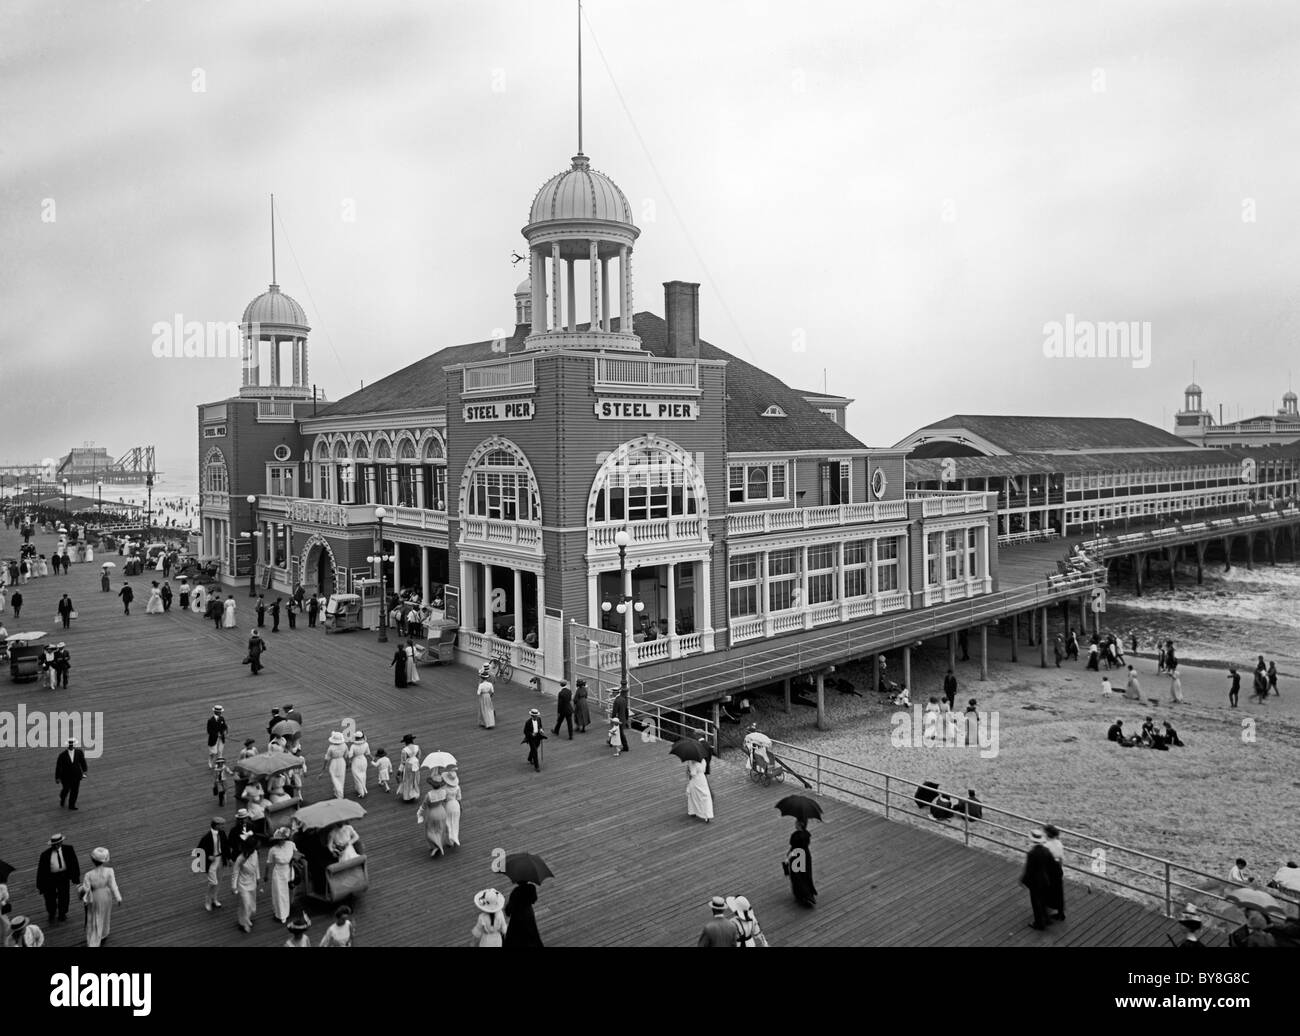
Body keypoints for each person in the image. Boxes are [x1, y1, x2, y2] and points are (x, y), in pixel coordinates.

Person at [79, 847, 122, 947]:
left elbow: (85, 889)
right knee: (105, 914)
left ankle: (94, 941)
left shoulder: (89, 875)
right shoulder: (109, 871)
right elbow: (113, 885)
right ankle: (104, 932)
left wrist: (81, 893)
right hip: (106, 895)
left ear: (93, 860)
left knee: (95, 916)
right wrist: (118, 897)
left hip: (96, 896)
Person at [37, 833, 80, 925]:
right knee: (50, 897)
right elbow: (41, 870)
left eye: (59, 843)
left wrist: (75, 877)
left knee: (64, 896)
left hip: (63, 876)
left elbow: (74, 863)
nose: (57, 845)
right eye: (55, 844)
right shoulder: (45, 855)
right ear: (52, 844)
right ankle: (51, 913)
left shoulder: (69, 849)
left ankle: (62, 913)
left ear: (61, 842)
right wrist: (41, 886)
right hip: (50, 878)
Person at [1021, 829, 1055, 930]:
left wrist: (1024, 880)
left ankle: (1039, 923)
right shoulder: (1046, 851)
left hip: (1035, 882)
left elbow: (1029, 870)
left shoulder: (1032, 853)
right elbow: (1051, 865)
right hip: (1045, 879)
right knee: (1044, 900)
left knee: (1036, 902)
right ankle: (1047, 919)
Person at [197, 817, 229, 912]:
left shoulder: (222, 833)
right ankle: (207, 900)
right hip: (212, 862)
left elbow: (225, 846)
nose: (223, 826)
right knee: (213, 882)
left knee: (219, 880)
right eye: (221, 825)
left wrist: (229, 858)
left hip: (220, 859)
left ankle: (214, 898)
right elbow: (199, 850)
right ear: (216, 825)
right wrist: (208, 856)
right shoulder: (207, 837)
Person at [265, 828, 296, 925]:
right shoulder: (272, 850)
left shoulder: (291, 844)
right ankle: (281, 915)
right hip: (279, 873)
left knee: (290, 892)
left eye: (282, 838)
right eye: (278, 839)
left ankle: (289, 909)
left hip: (290, 870)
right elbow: (268, 863)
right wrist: (266, 875)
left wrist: (294, 860)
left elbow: (296, 853)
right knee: (280, 894)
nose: (280, 840)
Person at [230, 833, 260, 933]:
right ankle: (244, 923)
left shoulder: (255, 853)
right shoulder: (240, 858)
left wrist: (258, 877)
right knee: (246, 903)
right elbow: (235, 873)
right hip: (242, 884)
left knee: (251, 905)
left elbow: (257, 865)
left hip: (252, 882)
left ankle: (245, 918)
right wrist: (234, 887)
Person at [417, 774, 450, 857]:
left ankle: (435, 845)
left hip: (433, 813)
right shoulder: (444, 792)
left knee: (430, 830)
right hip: (442, 812)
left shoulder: (429, 795)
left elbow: (423, 806)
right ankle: (439, 844)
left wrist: (419, 814)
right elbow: (446, 800)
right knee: (440, 829)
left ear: (432, 784)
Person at [787, 819, 817, 907]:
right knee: (805, 875)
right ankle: (808, 894)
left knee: (796, 876)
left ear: (799, 824)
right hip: (805, 856)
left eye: (796, 822)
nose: (795, 824)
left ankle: (801, 895)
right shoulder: (806, 835)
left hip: (797, 857)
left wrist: (788, 856)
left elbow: (793, 848)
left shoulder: (795, 836)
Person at [502, 882, 543, 947]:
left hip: (517, 920)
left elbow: (508, 910)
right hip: (529, 915)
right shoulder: (531, 888)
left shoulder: (516, 891)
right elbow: (534, 900)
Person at [56, 737, 88, 809]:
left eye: (72, 744)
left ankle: (71, 805)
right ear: (68, 746)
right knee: (66, 789)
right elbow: (58, 767)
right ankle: (62, 797)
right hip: (65, 777)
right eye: (70, 745)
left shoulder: (79, 752)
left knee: (75, 791)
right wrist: (57, 777)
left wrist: (85, 770)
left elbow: (82, 762)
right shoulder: (62, 755)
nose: (71, 746)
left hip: (76, 775)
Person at [1043, 824, 1066, 921]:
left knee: (1046, 890)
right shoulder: (1059, 843)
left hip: (1049, 869)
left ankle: (1046, 912)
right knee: (1058, 890)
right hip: (1058, 868)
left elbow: (1044, 860)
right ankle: (1060, 912)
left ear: (1047, 834)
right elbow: (1061, 859)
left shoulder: (1046, 846)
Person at [322, 732, 348, 799]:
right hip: (342, 762)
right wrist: (348, 763)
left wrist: (324, 768)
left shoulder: (331, 747)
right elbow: (346, 755)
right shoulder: (344, 745)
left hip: (334, 763)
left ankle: (339, 794)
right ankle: (338, 792)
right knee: (341, 779)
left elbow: (326, 758)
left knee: (335, 778)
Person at [397, 735, 422, 802]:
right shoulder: (417, 747)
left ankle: (408, 796)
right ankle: (414, 794)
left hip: (408, 766)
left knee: (408, 781)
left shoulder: (404, 750)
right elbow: (419, 757)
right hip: (416, 765)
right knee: (415, 780)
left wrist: (399, 771)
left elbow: (403, 762)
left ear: (405, 742)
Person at [443, 768, 463, 848]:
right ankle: (455, 838)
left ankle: (449, 841)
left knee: (448, 823)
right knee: (455, 823)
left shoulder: (444, 789)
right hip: (456, 805)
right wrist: (461, 806)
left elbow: (444, 799)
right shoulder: (457, 787)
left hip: (448, 805)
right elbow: (459, 798)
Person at [348, 731, 372, 798]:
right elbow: (368, 753)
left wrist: (349, 762)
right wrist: (372, 758)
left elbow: (350, 756)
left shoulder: (353, 746)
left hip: (356, 761)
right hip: (364, 760)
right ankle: (362, 789)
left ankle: (361, 792)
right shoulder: (366, 744)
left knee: (357, 777)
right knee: (363, 775)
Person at [612, 688, 631, 754]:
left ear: (615, 693)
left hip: (618, 720)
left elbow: (614, 711)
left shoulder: (616, 701)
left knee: (620, 733)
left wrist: (613, 719)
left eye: (613, 693)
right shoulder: (623, 699)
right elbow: (626, 710)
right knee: (619, 732)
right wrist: (626, 719)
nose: (612, 694)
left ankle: (625, 746)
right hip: (623, 719)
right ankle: (610, 742)